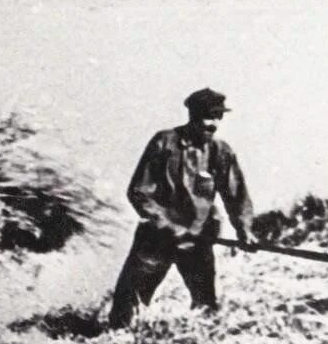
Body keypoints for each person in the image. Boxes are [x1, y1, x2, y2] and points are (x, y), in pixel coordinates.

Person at [109, 87, 258, 328]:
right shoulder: (164, 143)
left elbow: (236, 194)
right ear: (193, 116)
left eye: (218, 117)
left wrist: (245, 229)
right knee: (128, 306)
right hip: (156, 240)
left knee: (205, 307)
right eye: (208, 117)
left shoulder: (221, 151)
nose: (214, 124)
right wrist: (167, 226)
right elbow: (139, 192)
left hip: (197, 241)